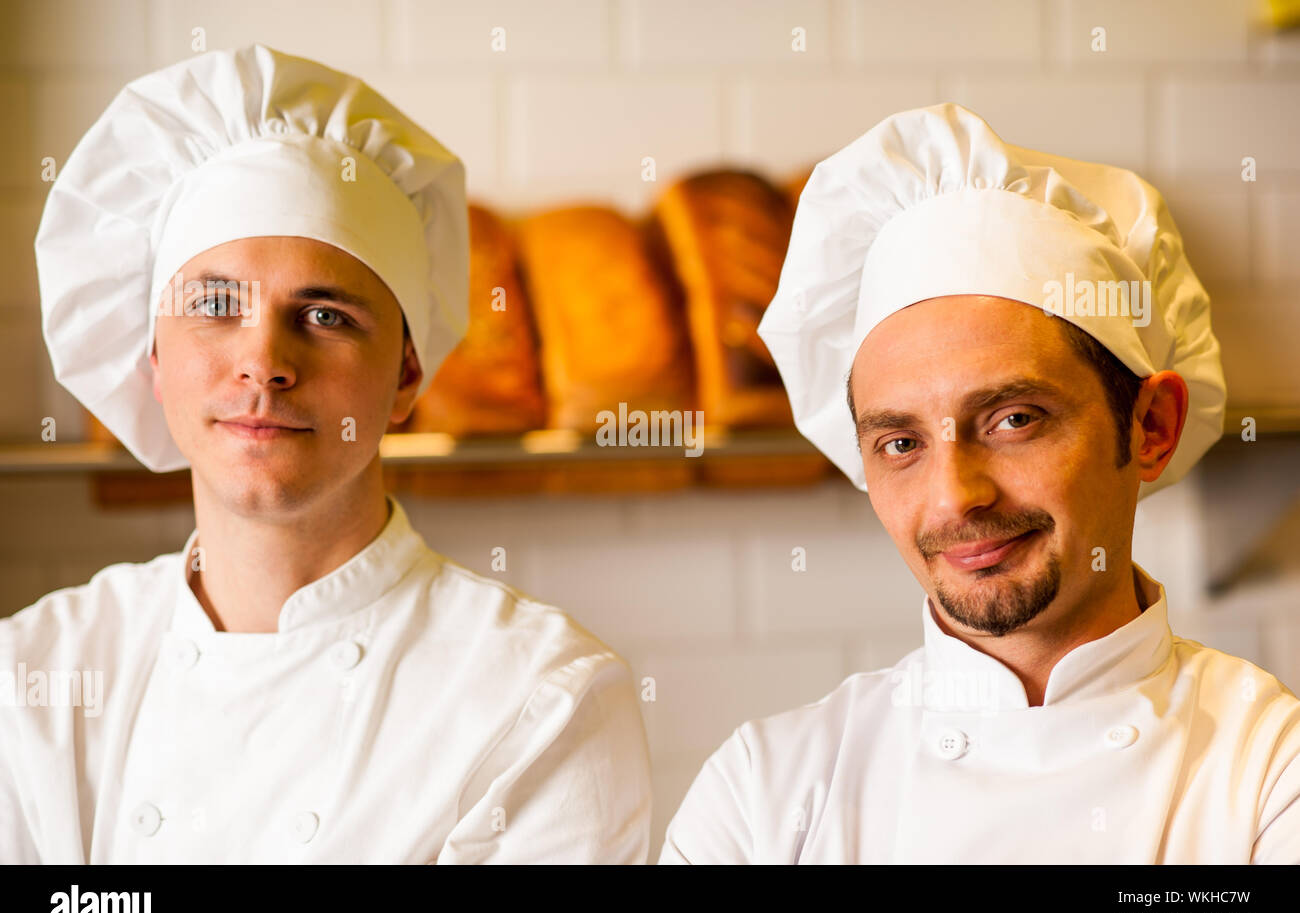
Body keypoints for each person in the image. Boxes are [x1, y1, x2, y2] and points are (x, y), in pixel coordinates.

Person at [1, 44, 651, 864]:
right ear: (154, 362)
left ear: (408, 374)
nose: (265, 361)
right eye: (213, 304)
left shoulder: (540, 699)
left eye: (326, 315)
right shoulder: (34, 677)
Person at [659, 103, 1300, 864]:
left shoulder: (1267, 772)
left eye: (1014, 419)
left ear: (1151, 425)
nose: (956, 496)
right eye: (901, 442)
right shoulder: (762, 794)